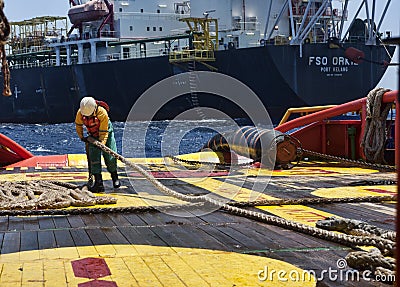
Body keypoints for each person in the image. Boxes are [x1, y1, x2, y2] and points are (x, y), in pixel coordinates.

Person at [75, 96, 120, 192]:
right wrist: (82, 137)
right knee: (93, 157)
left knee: (110, 155)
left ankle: (115, 177)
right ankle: (98, 183)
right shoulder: (80, 113)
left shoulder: (102, 113)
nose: (88, 117)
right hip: (92, 136)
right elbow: (78, 126)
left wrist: (102, 145)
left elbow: (104, 132)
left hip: (106, 132)